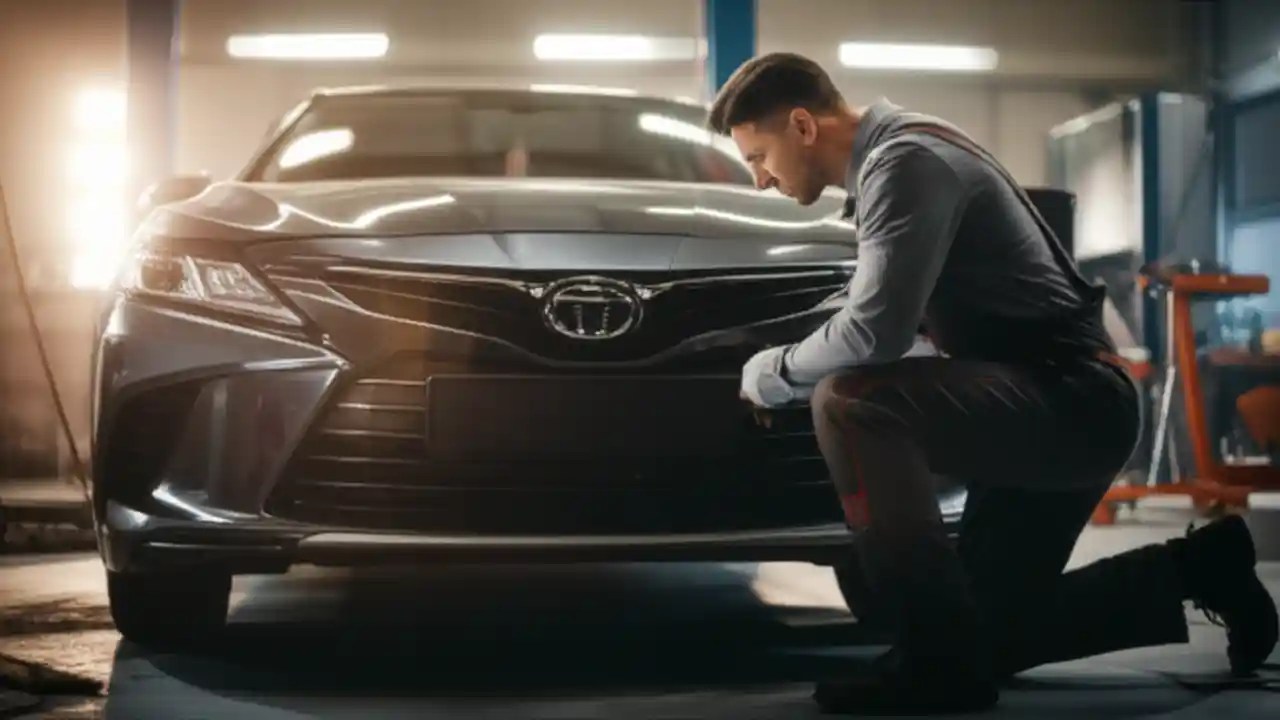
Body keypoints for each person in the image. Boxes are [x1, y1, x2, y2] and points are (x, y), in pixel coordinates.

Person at [712, 52, 1279, 715]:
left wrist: (775, 370)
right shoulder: (898, 162)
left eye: (758, 157)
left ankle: (931, 665)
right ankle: (1201, 568)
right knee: (986, 632)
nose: (758, 181)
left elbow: (874, 333)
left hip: (1071, 401)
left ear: (803, 126)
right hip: (1050, 402)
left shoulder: (905, 163)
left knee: (852, 404)